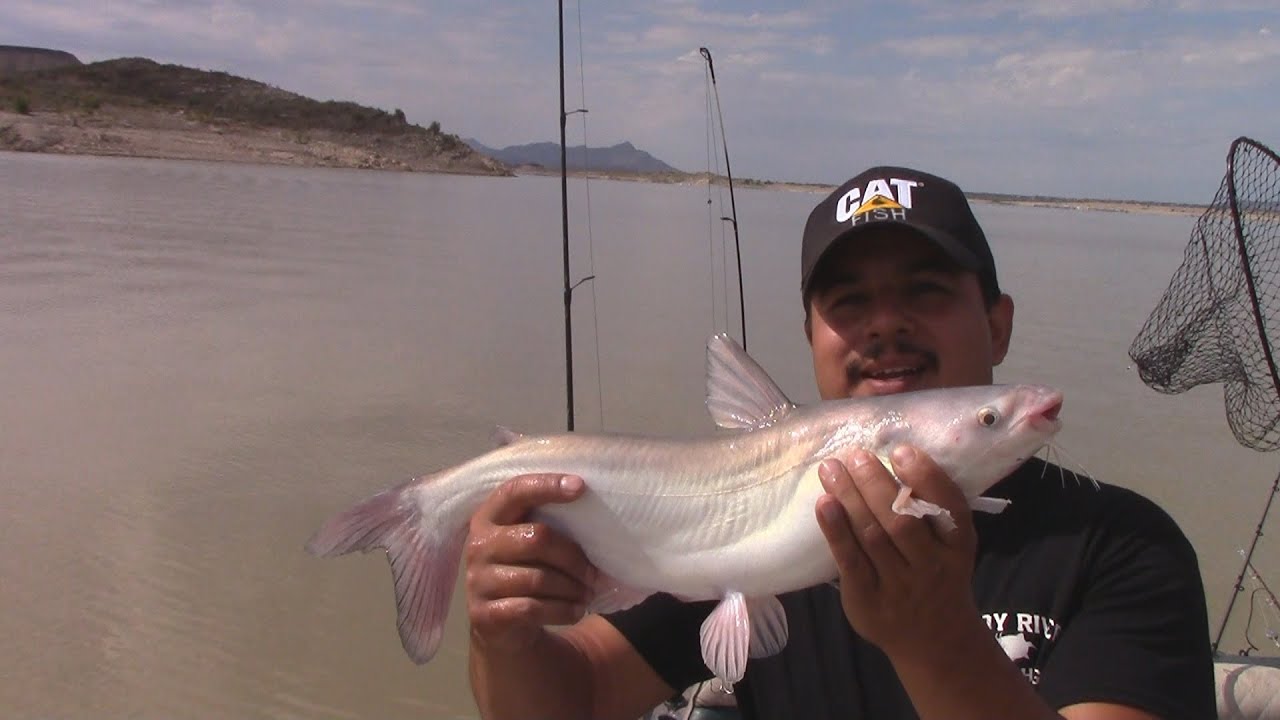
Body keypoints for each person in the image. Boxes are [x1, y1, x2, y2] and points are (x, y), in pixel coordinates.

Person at [464, 166, 1216, 720]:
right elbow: (574, 698)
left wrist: (936, 640)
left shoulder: (1122, 549)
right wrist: (506, 639)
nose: (884, 324)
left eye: (925, 289)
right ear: (812, 341)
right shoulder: (743, 528)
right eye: (848, 302)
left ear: (997, 324)